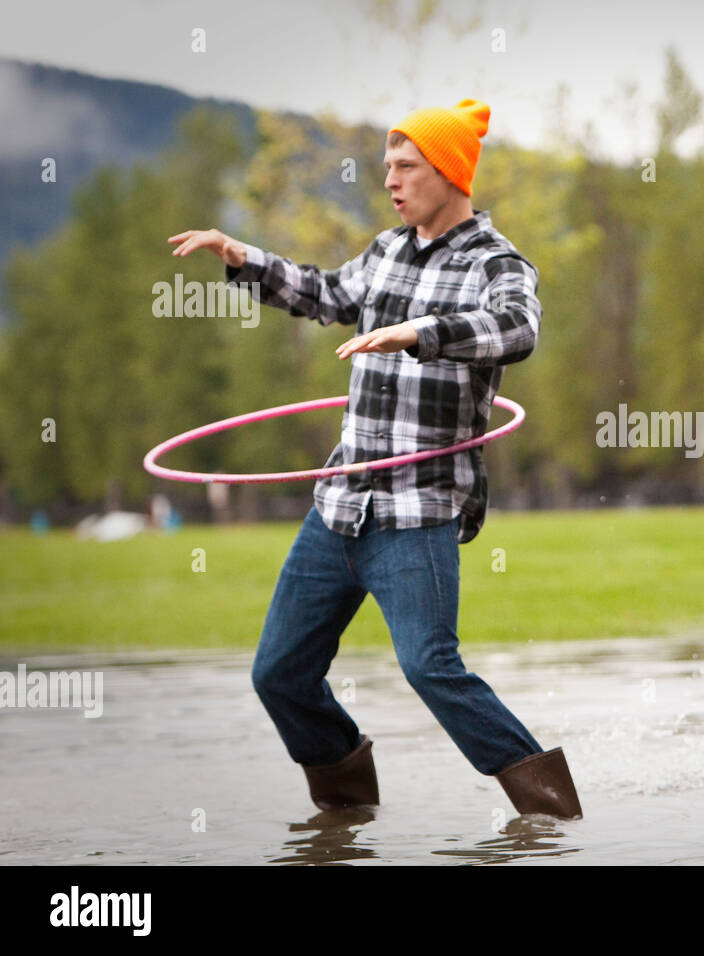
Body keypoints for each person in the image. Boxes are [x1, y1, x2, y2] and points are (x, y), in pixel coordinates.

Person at [166, 98, 581, 818]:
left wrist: (418, 333)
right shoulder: (386, 249)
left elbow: (517, 329)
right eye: (387, 166)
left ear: (449, 171)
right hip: (340, 505)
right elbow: (328, 294)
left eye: (405, 166)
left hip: (417, 510)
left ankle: (549, 812)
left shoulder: (499, 262)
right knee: (279, 675)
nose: (389, 180)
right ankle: (346, 814)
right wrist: (243, 258)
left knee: (430, 668)